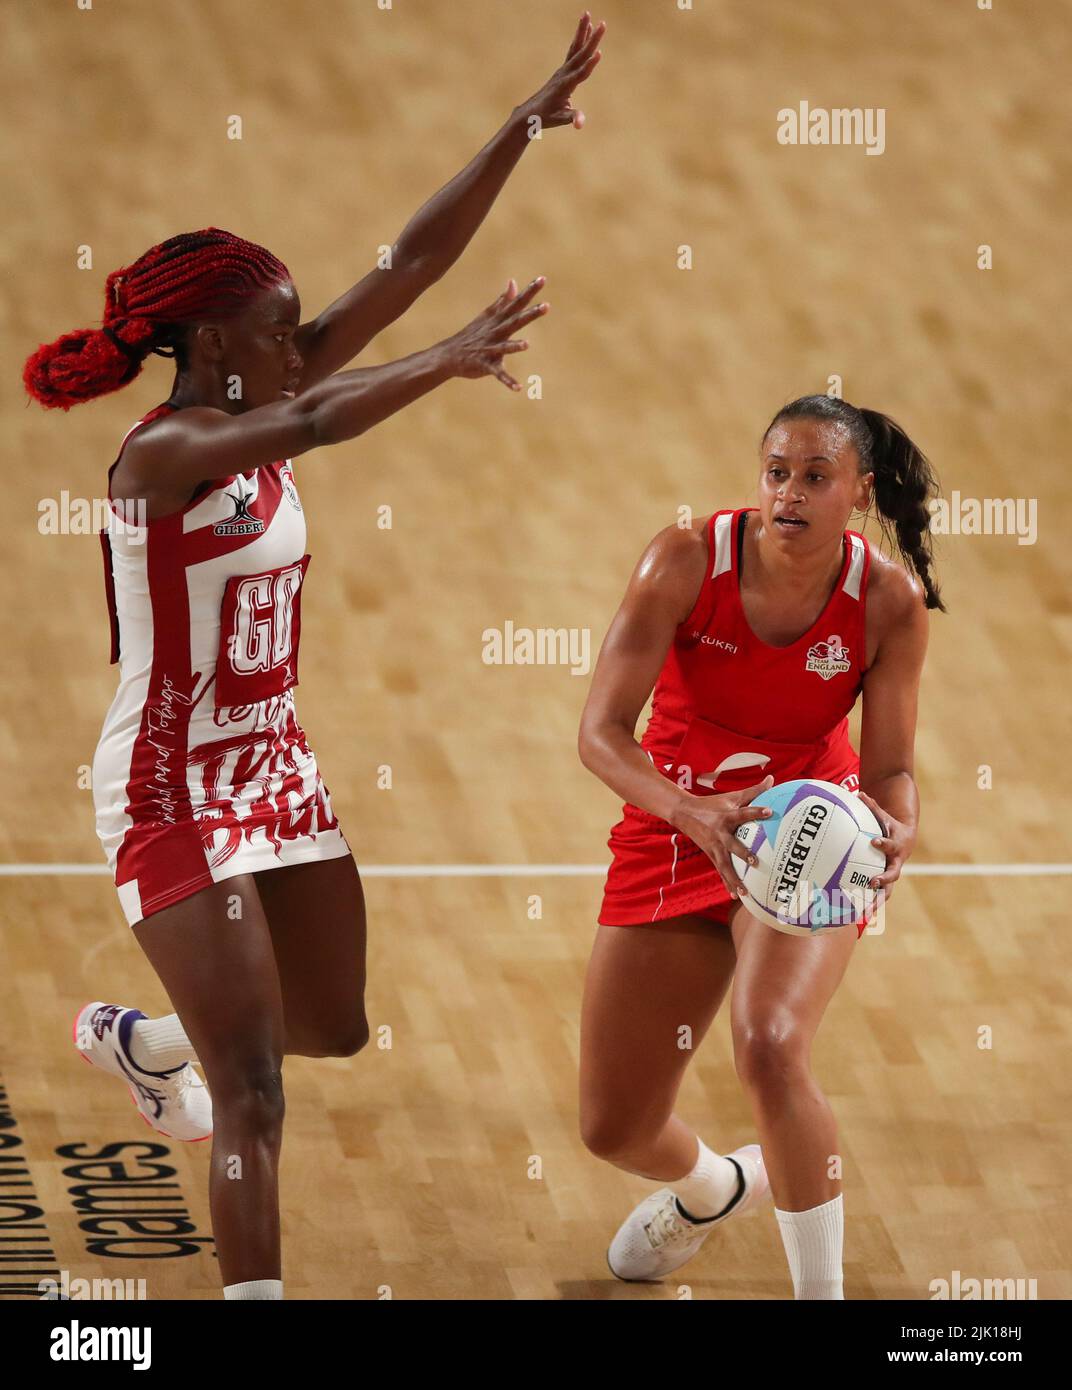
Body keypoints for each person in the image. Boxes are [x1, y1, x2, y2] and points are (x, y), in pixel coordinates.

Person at [24, 12, 606, 1301]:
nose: (305, 340)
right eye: (284, 331)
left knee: (332, 1022)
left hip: (275, 765)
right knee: (257, 1093)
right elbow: (334, 414)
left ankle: (151, 1043)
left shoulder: (263, 394)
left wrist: (519, 126)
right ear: (220, 350)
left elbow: (402, 265)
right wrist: (445, 361)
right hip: (172, 787)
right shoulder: (163, 457)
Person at [577, 394, 943, 1297]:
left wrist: (898, 825)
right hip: (678, 824)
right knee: (613, 1128)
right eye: (777, 472)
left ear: (858, 494)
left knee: (771, 1045)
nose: (790, 492)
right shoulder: (685, 560)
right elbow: (601, 734)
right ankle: (712, 1188)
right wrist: (690, 814)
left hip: (805, 837)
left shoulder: (887, 604)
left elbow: (891, 768)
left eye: (816, 477)